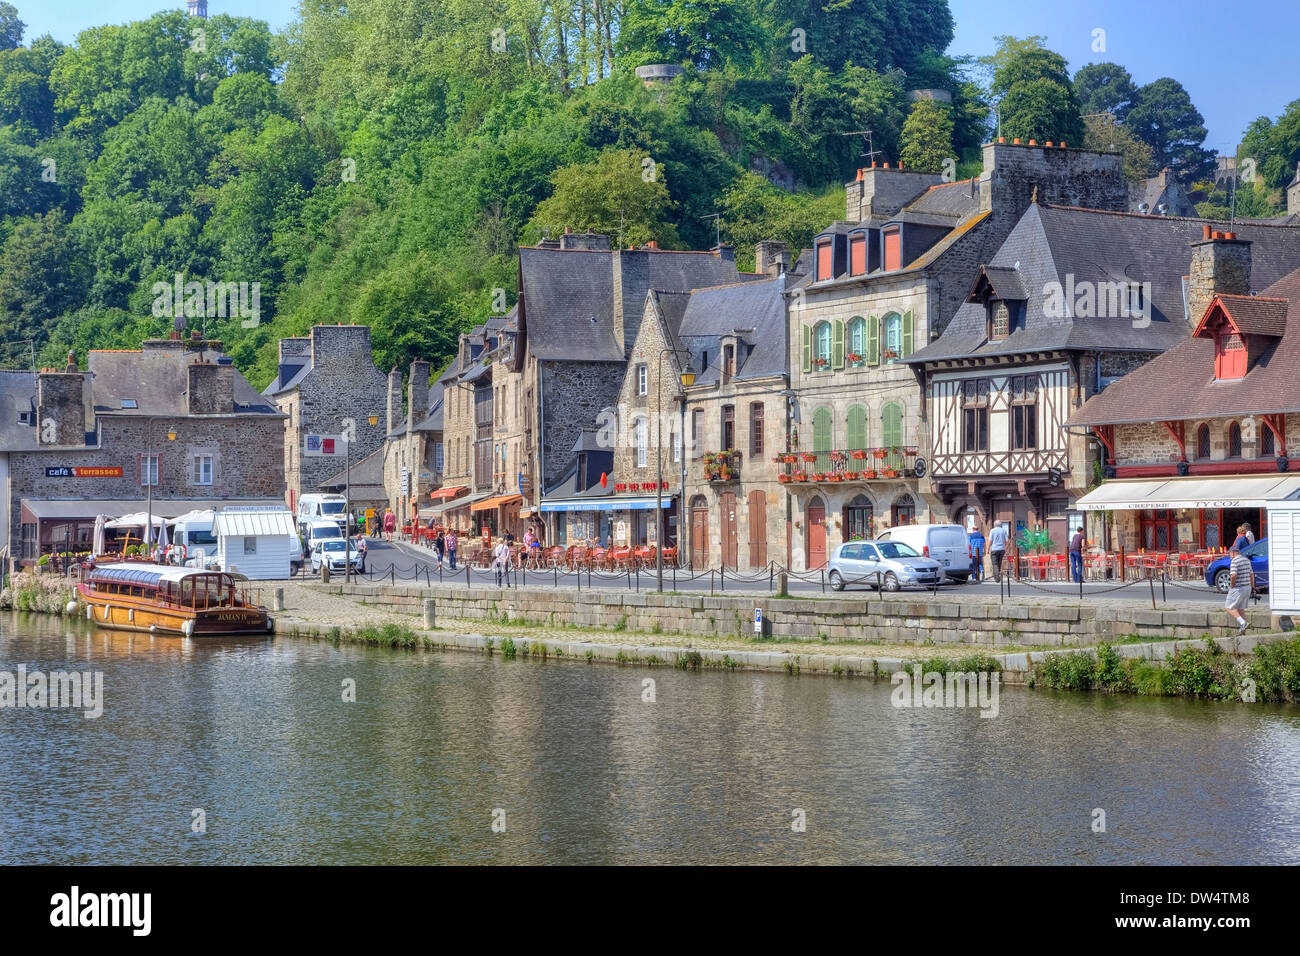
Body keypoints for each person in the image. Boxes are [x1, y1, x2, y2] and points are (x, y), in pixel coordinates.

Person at [1225, 543, 1254, 635]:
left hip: (1238, 588)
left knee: (1229, 607)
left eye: (1229, 553)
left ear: (1233, 553)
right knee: (1241, 609)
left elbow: (1233, 575)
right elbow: (1251, 575)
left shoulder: (1234, 561)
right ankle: (1243, 631)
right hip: (1247, 587)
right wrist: (1253, 587)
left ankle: (1243, 623)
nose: (1229, 555)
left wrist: (1231, 586)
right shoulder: (1246, 560)